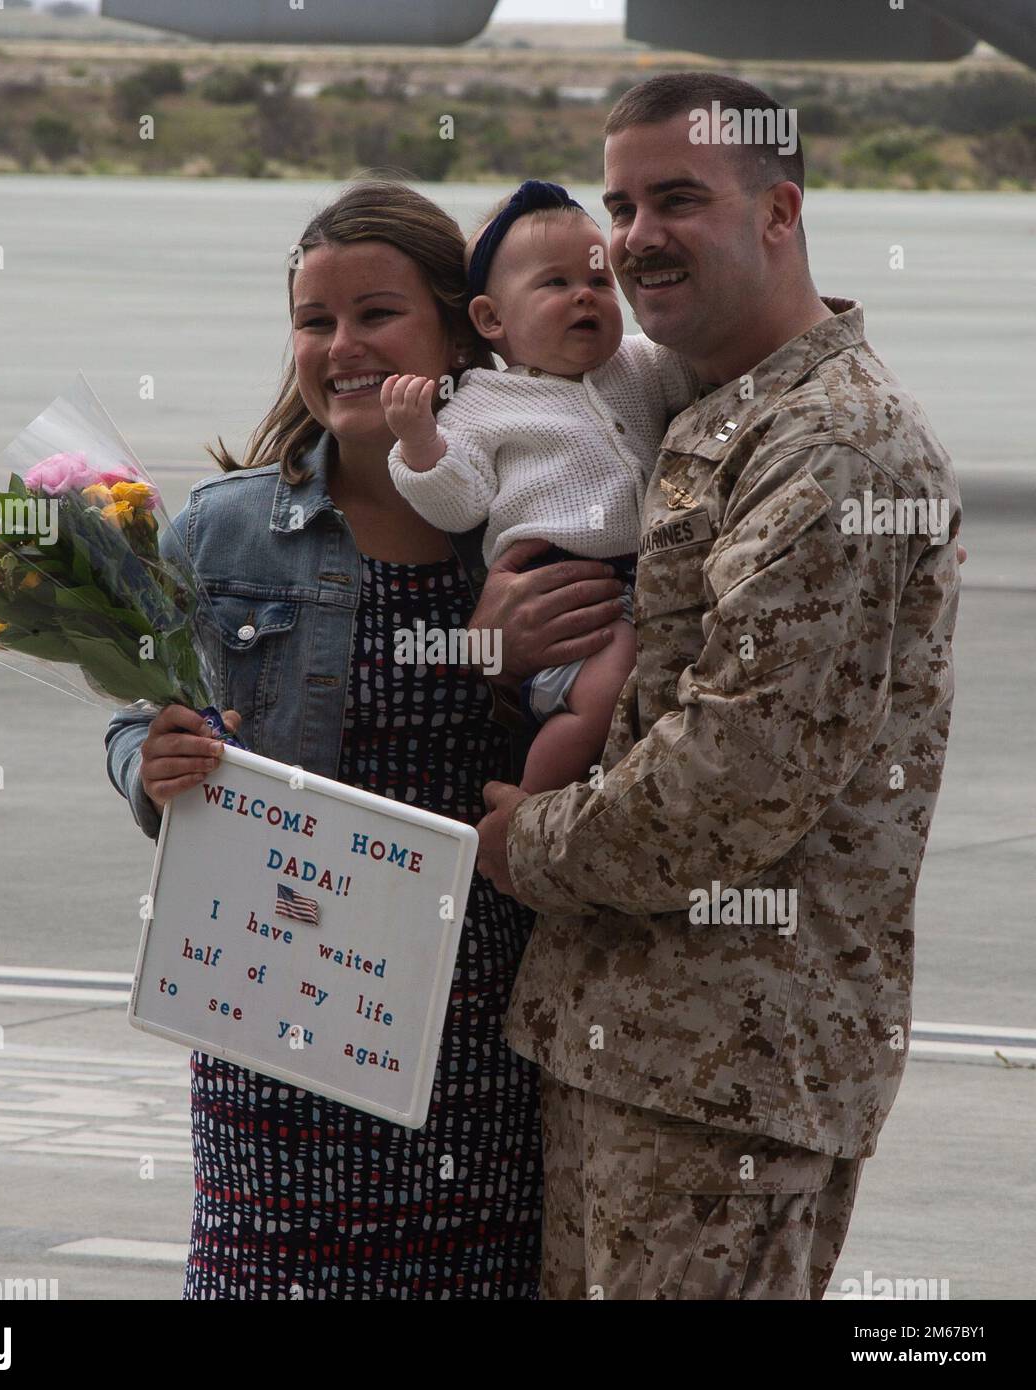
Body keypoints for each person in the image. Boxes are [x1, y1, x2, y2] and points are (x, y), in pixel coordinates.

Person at [474, 73, 962, 1299]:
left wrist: (525, 845)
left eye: (677, 199)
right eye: (620, 206)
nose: (635, 238)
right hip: (631, 1050)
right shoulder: (691, 408)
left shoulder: (833, 446)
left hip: (726, 1079)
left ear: (780, 211)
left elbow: (733, 780)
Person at [103, 180, 616, 1300]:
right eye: (313, 320)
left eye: (377, 314)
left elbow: (610, 758)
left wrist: (503, 663)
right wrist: (153, 761)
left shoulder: (531, 529)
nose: (341, 347)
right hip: (275, 1025)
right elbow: (137, 714)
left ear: (459, 332)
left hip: (481, 1042)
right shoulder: (225, 527)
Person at [382, 178, 697, 795]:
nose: (585, 295)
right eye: (556, 283)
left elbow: (711, 363)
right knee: (605, 691)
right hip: (557, 590)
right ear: (491, 317)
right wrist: (420, 443)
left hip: (647, 579)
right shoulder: (481, 403)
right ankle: (527, 802)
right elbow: (459, 504)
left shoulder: (640, 363)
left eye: (600, 281)